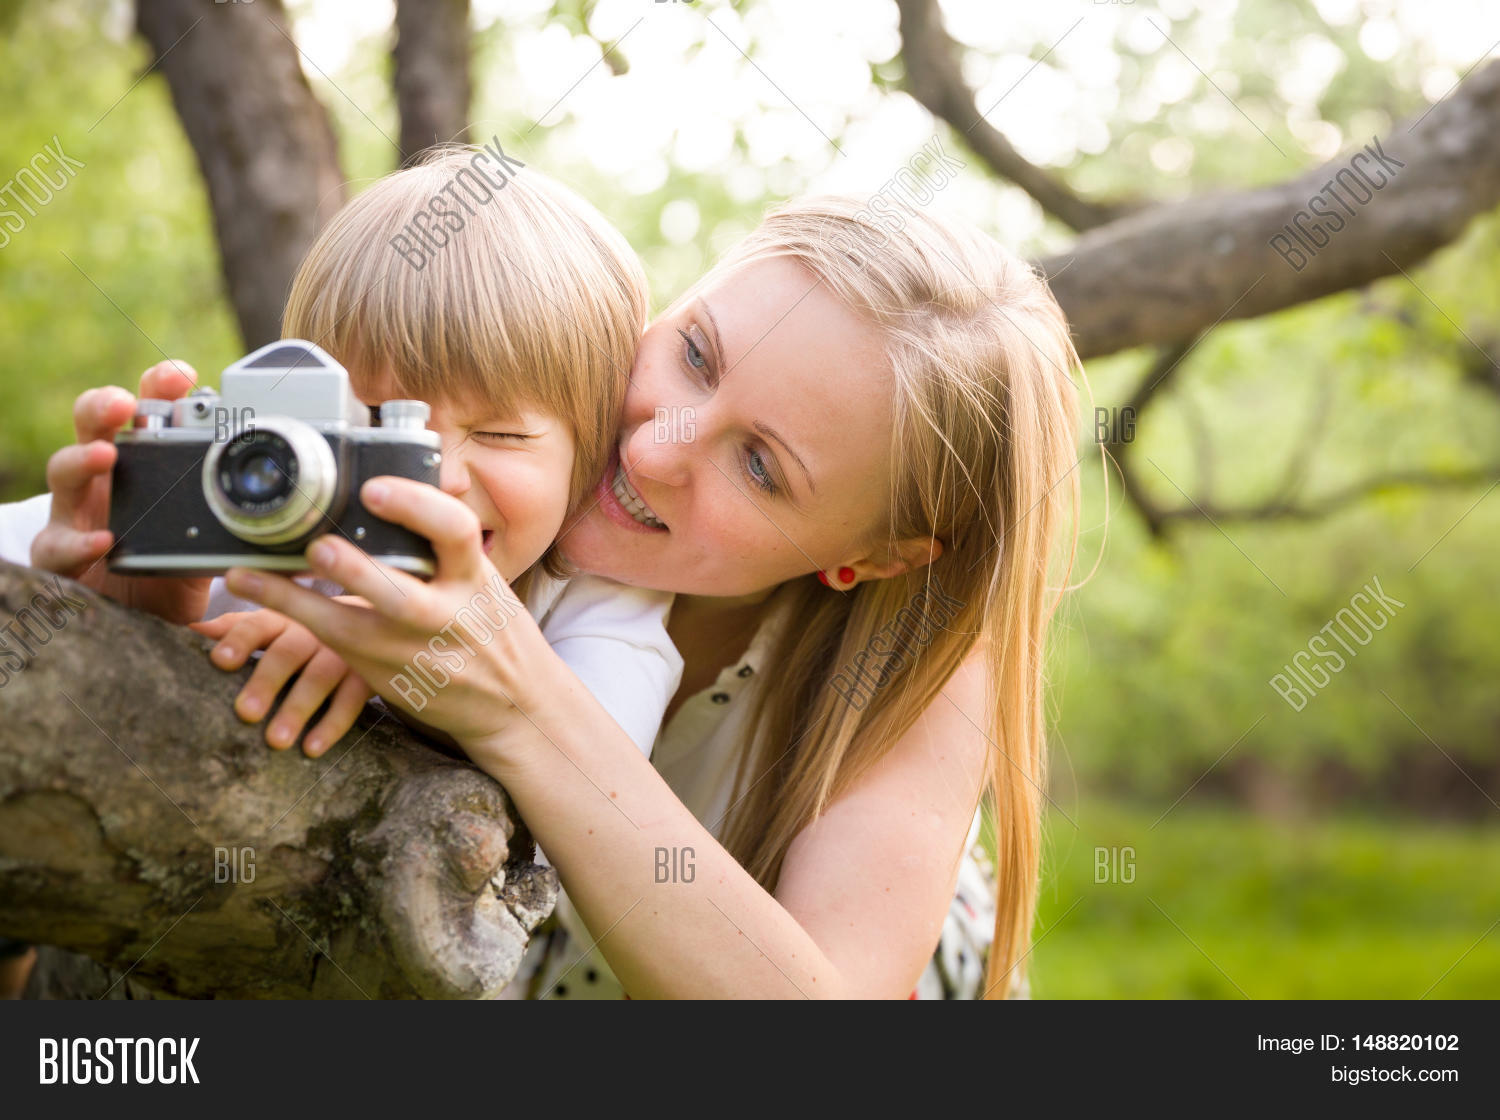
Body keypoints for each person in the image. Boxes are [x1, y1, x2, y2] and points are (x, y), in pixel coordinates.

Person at [217, 194, 1088, 999]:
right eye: (696, 354)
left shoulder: (925, 661)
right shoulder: (509, 450)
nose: (652, 452)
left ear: (874, 556)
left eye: (759, 467)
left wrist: (518, 708)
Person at [3, 146, 682, 757]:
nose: (436, 478)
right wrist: (101, 612)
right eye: (378, 424)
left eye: (501, 433)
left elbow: (599, 806)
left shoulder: (596, 598)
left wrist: (407, 665)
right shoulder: (245, 492)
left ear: (591, 460)